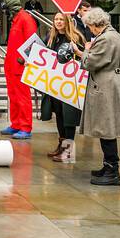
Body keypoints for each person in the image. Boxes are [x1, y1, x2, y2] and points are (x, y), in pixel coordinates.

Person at [80, 7, 120, 186]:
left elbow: (90, 62)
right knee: (106, 127)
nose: (89, 30)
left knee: (107, 128)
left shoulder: (105, 39)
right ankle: (108, 166)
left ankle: (112, 170)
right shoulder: (114, 35)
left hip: (106, 86)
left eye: (90, 26)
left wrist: (86, 50)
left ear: (96, 24)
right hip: (111, 83)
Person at [42, 12, 86, 163]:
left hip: (70, 85)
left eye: (61, 19)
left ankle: (69, 151)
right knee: (59, 115)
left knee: (69, 118)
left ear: (67, 21)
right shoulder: (50, 37)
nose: (58, 22)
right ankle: (61, 146)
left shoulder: (76, 38)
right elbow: (42, 55)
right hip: (55, 84)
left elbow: (83, 58)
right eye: (56, 19)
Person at [0, 0, 38, 139]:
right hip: (11, 65)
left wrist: (24, 60)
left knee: (22, 97)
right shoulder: (16, 20)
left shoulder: (25, 19)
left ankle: (25, 127)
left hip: (20, 66)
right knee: (13, 96)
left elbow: (33, 42)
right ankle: (16, 124)